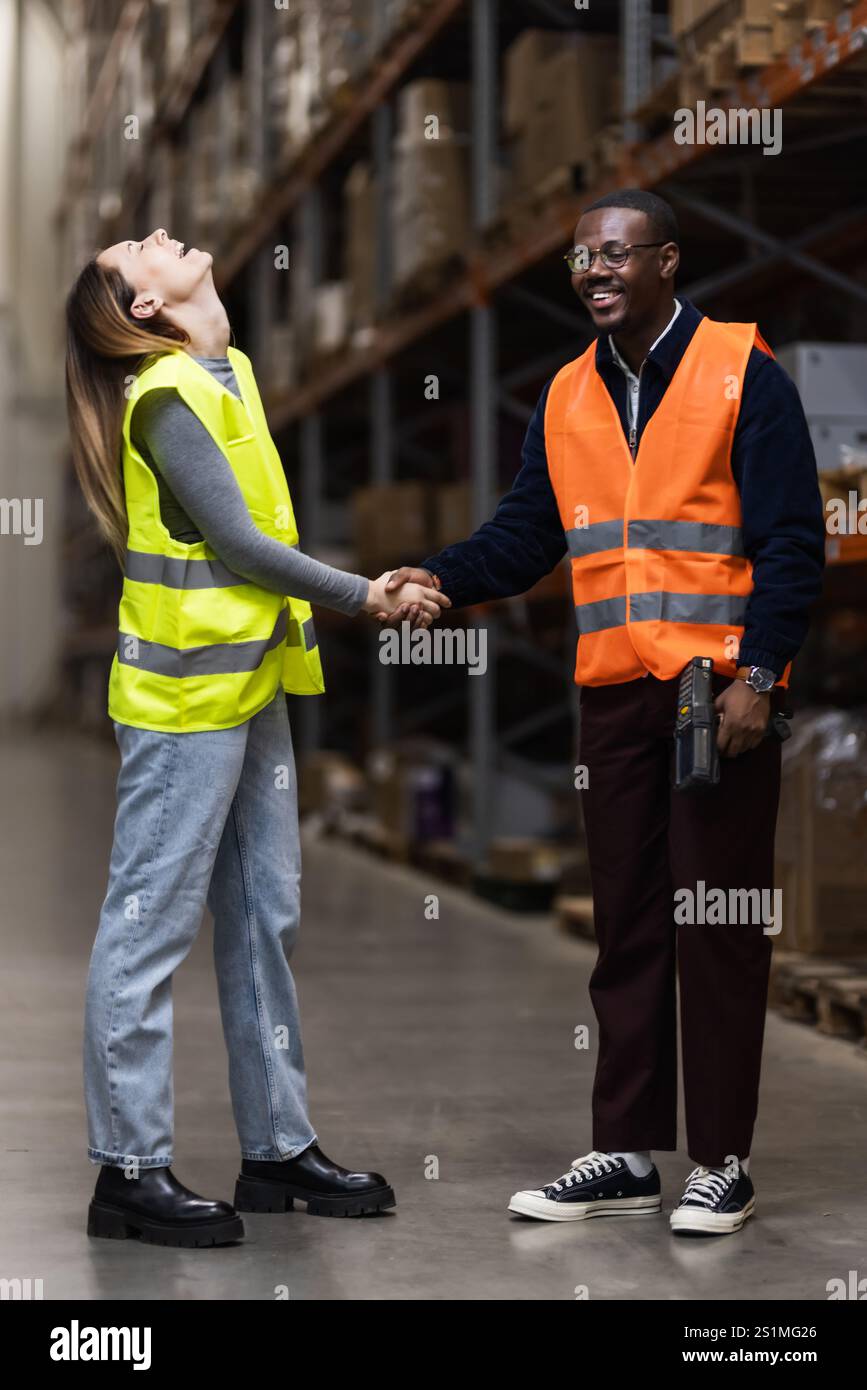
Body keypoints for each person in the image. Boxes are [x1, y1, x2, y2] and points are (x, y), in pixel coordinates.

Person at [380, 188, 825, 1236]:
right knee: (627, 923)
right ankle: (625, 1151)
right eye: (582, 258)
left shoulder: (741, 374)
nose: (595, 272)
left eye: (618, 254)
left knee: (713, 925)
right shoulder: (568, 396)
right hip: (615, 696)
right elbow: (526, 535)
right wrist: (438, 575)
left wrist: (762, 675)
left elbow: (794, 540)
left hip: (716, 694)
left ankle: (722, 1160)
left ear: (668, 262)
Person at [66, 226, 450, 1248]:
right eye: (138, 248)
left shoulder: (221, 370)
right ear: (143, 307)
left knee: (261, 915)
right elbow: (241, 544)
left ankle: (276, 1148)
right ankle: (128, 1170)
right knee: (147, 931)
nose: (160, 235)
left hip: (251, 690)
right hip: (185, 703)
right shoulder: (166, 401)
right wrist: (363, 594)